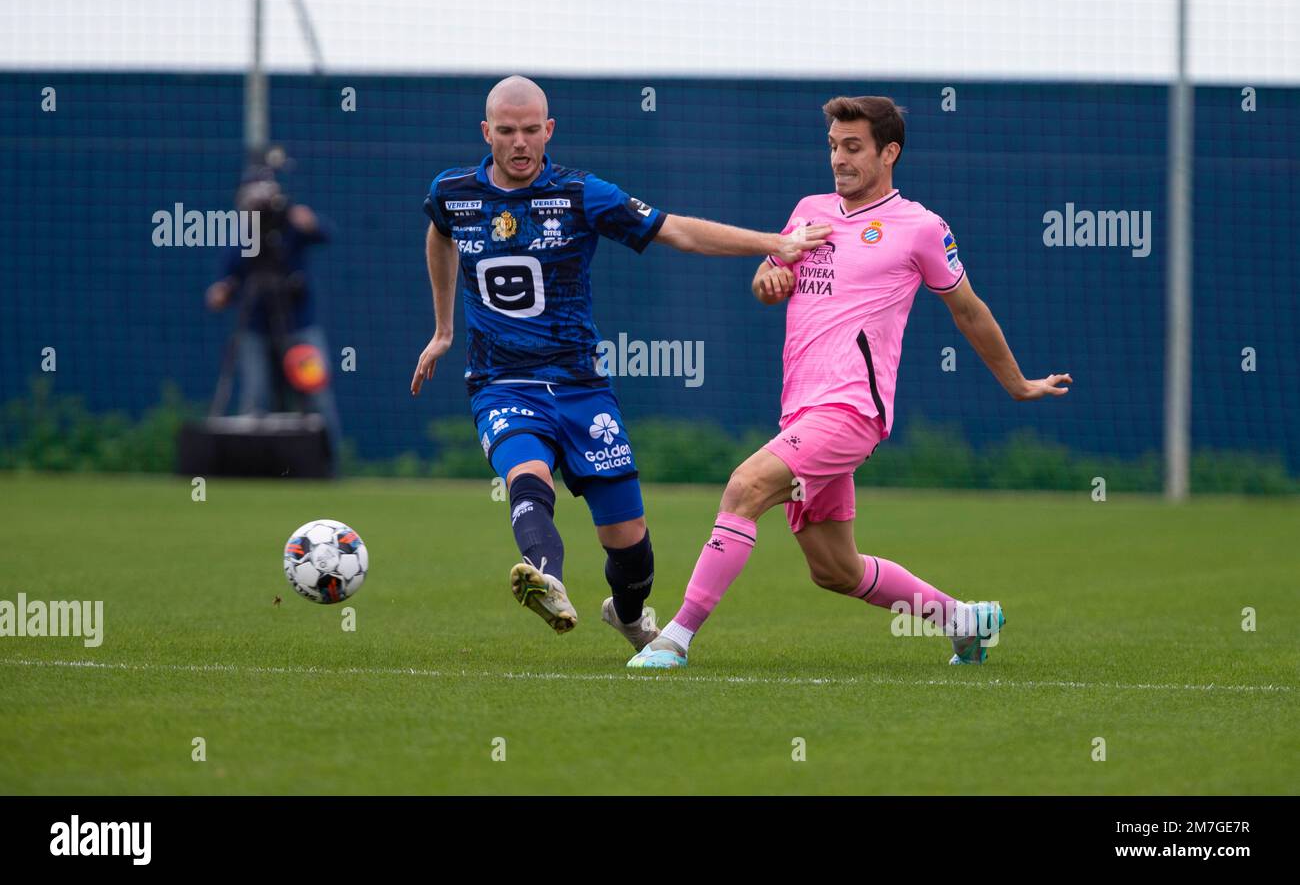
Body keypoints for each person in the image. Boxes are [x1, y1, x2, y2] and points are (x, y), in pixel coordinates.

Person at [628, 95, 1073, 669]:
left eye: (853, 147)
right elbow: (775, 267)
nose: (839, 158)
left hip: (852, 410)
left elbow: (968, 310)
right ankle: (964, 620)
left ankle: (675, 638)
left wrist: (1018, 384)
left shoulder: (921, 228)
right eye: (834, 146)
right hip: (800, 410)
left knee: (744, 487)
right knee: (834, 569)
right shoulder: (810, 209)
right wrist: (769, 279)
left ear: (889, 152)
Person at [410, 75, 828, 651]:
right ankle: (545, 576)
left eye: (531, 130)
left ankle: (627, 613)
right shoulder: (453, 191)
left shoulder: (583, 194)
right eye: (506, 131)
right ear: (487, 132)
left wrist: (771, 243)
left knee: (631, 550)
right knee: (526, 476)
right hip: (500, 383)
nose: (520, 143)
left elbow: (676, 231)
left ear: (548, 129)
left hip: (582, 388)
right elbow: (440, 233)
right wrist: (443, 329)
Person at [205, 167, 342, 465]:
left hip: (299, 326)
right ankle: (255, 467)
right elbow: (224, 284)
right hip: (255, 328)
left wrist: (309, 223)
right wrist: (222, 291)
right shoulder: (243, 235)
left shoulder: (291, 225)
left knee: (316, 394)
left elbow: (325, 234)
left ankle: (327, 465)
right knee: (256, 398)